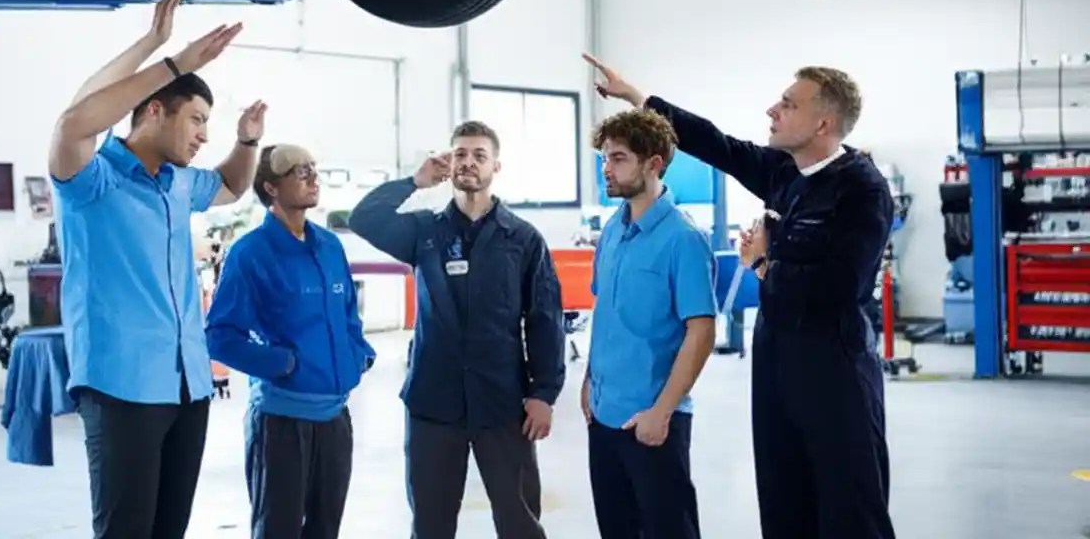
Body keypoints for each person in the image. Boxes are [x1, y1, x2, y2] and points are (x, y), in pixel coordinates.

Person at [583, 53, 897, 539]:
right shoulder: (784, 172)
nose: (773, 110)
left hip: (833, 366)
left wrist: (762, 264)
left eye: (788, 104)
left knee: (848, 504)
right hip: (776, 362)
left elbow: (839, 287)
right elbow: (717, 144)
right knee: (782, 498)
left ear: (823, 123)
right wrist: (638, 98)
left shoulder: (861, 189)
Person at [48, 0, 264, 539]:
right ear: (154, 111)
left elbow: (232, 188)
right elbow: (75, 120)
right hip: (122, 386)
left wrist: (245, 142)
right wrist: (166, 54)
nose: (201, 136)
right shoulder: (90, 181)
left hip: (187, 385)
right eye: (196, 120)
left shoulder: (178, 184)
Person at [349, 121, 566, 539]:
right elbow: (364, 218)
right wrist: (417, 180)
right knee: (431, 522)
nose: (468, 162)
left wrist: (543, 393)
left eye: (479, 155)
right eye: (460, 154)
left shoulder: (522, 239)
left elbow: (544, 320)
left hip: (503, 403)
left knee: (519, 519)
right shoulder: (424, 231)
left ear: (496, 167)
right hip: (434, 402)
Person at [205, 143, 376, 539]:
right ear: (271, 188)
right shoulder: (250, 254)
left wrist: (359, 355)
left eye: (313, 169)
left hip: (335, 419)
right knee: (278, 530)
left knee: (325, 529)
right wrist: (281, 364)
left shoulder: (330, 246)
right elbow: (220, 336)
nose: (312, 177)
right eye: (299, 171)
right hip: (282, 423)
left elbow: (349, 312)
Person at [581, 108, 718, 539]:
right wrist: (588, 379)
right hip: (603, 414)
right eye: (604, 158)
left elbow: (702, 331)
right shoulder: (612, 232)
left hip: (653, 419)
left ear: (654, 163)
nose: (607, 168)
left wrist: (662, 411)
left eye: (618, 158)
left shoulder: (683, 239)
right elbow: (606, 313)